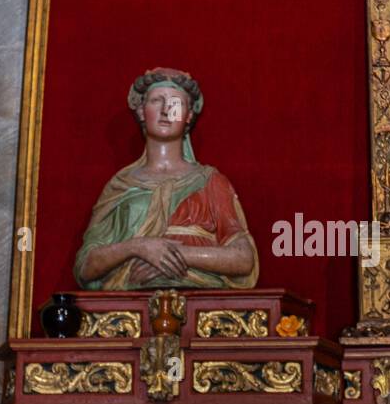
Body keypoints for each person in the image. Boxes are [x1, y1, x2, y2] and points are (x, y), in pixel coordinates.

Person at [74, 67, 258, 290]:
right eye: (156, 101)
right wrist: (139, 247)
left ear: (188, 116)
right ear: (142, 111)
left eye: (176, 104)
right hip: (128, 309)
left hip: (204, 305)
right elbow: (86, 266)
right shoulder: (120, 186)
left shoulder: (210, 181)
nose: (165, 110)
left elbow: (243, 258)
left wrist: (172, 254)